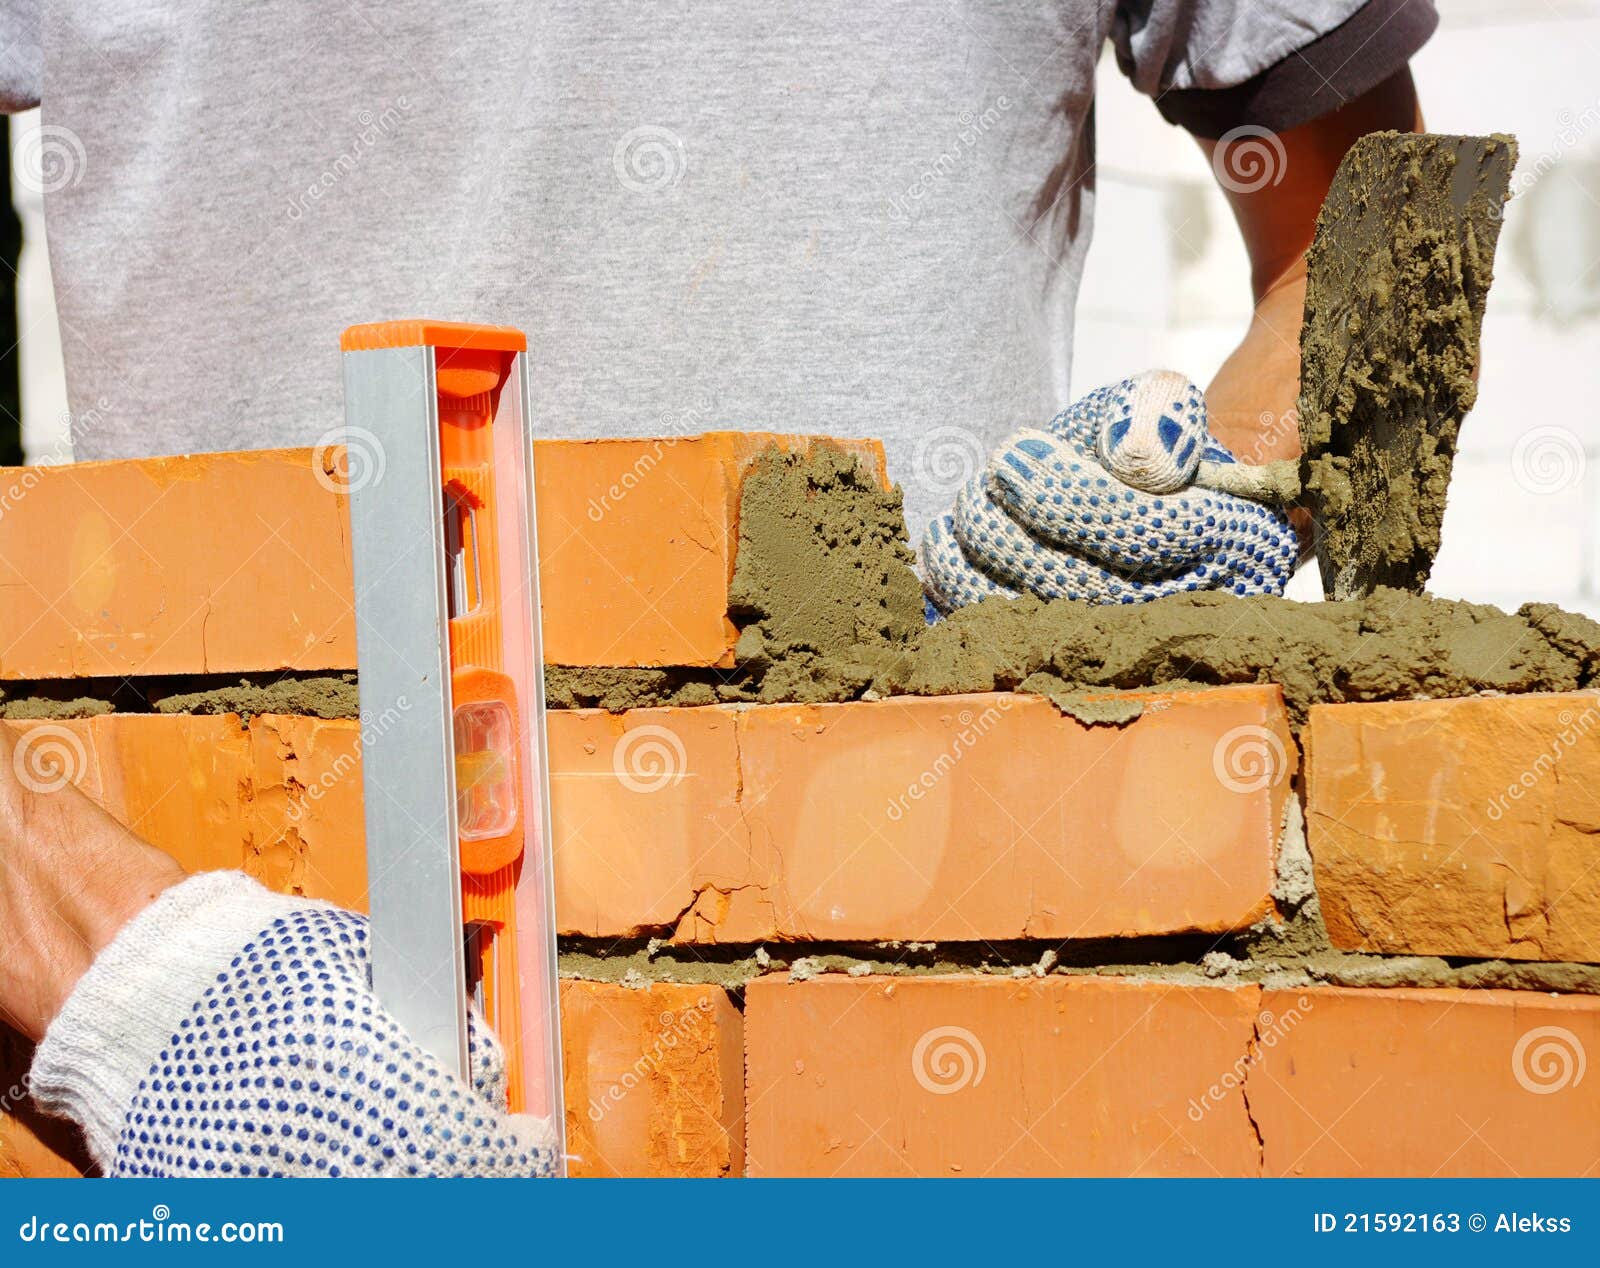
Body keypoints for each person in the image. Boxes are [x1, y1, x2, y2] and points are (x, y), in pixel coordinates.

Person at [0, 0, 1434, 1176]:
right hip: (187, 1101)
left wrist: (1234, 497)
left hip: (939, 1055)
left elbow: (1396, 229)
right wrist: (139, 992)